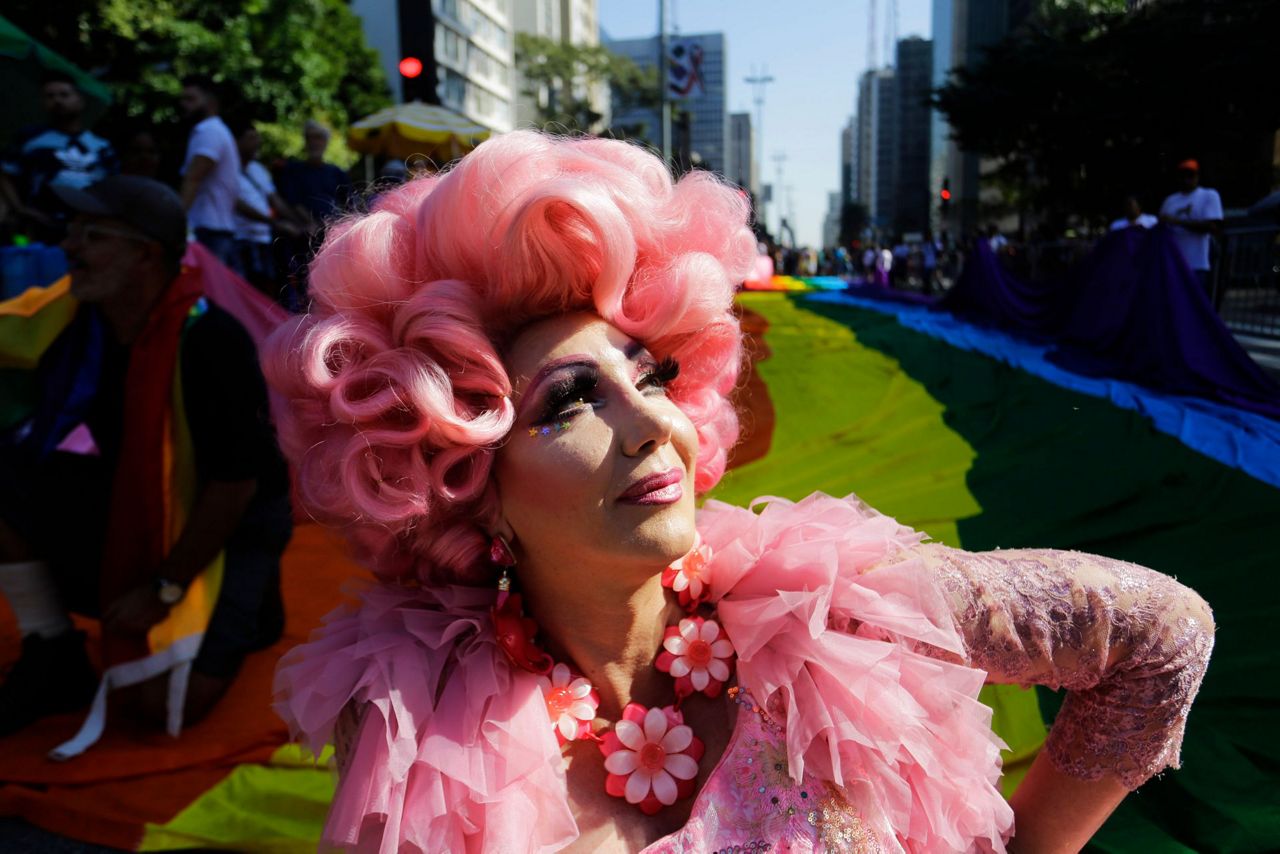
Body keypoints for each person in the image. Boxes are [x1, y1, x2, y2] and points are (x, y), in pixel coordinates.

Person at [266, 133, 1214, 852]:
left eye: (652, 377)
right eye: (569, 403)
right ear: (467, 480)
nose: (650, 424)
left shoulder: (833, 612)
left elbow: (1163, 636)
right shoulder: (417, 730)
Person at [0, 176, 291, 746]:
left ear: (144, 254)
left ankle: (249, 603)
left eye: (93, 235)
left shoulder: (209, 338)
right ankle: (52, 646)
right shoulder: (74, 323)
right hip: (130, 495)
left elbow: (234, 488)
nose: (69, 247)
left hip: (233, 523)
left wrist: (163, 588)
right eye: (72, 232)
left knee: (156, 709)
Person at [0, 71, 117, 243]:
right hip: (40, 228)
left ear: (79, 100)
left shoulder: (101, 146)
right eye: (50, 96)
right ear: (43, 103)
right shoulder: (30, 140)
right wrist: (20, 208)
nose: (57, 101)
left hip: (90, 229)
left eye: (64, 94)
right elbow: (5, 174)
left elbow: (114, 185)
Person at [230, 117, 303, 300]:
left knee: (265, 292)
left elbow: (274, 200)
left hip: (262, 240)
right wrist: (275, 223)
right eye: (251, 138)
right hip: (240, 239)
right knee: (244, 293)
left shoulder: (257, 169)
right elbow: (236, 203)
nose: (257, 142)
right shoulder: (226, 169)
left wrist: (298, 223)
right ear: (236, 142)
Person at [178, 75, 242, 271]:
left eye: (191, 99)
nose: (184, 105)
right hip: (215, 231)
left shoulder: (209, 132)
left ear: (210, 102)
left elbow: (193, 178)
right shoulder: (217, 130)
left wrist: (175, 219)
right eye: (183, 99)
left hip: (207, 232)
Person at [1159, 159, 1224, 297]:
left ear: (1197, 176)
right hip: (1172, 264)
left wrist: (1178, 222)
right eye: (1183, 175)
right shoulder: (1170, 201)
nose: (1187, 179)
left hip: (1196, 264)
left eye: (1191, 175)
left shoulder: (1208, 195)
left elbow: (1213, 226)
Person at [276, 120, 352, 232]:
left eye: (318, 137)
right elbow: (292, 202)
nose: (313, 142)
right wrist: (309, 222)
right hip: (302, 232)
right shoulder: (293, 170)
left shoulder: (337, 173)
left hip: (332, 231)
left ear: (326, 142)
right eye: (309, 138)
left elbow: (348, 203)